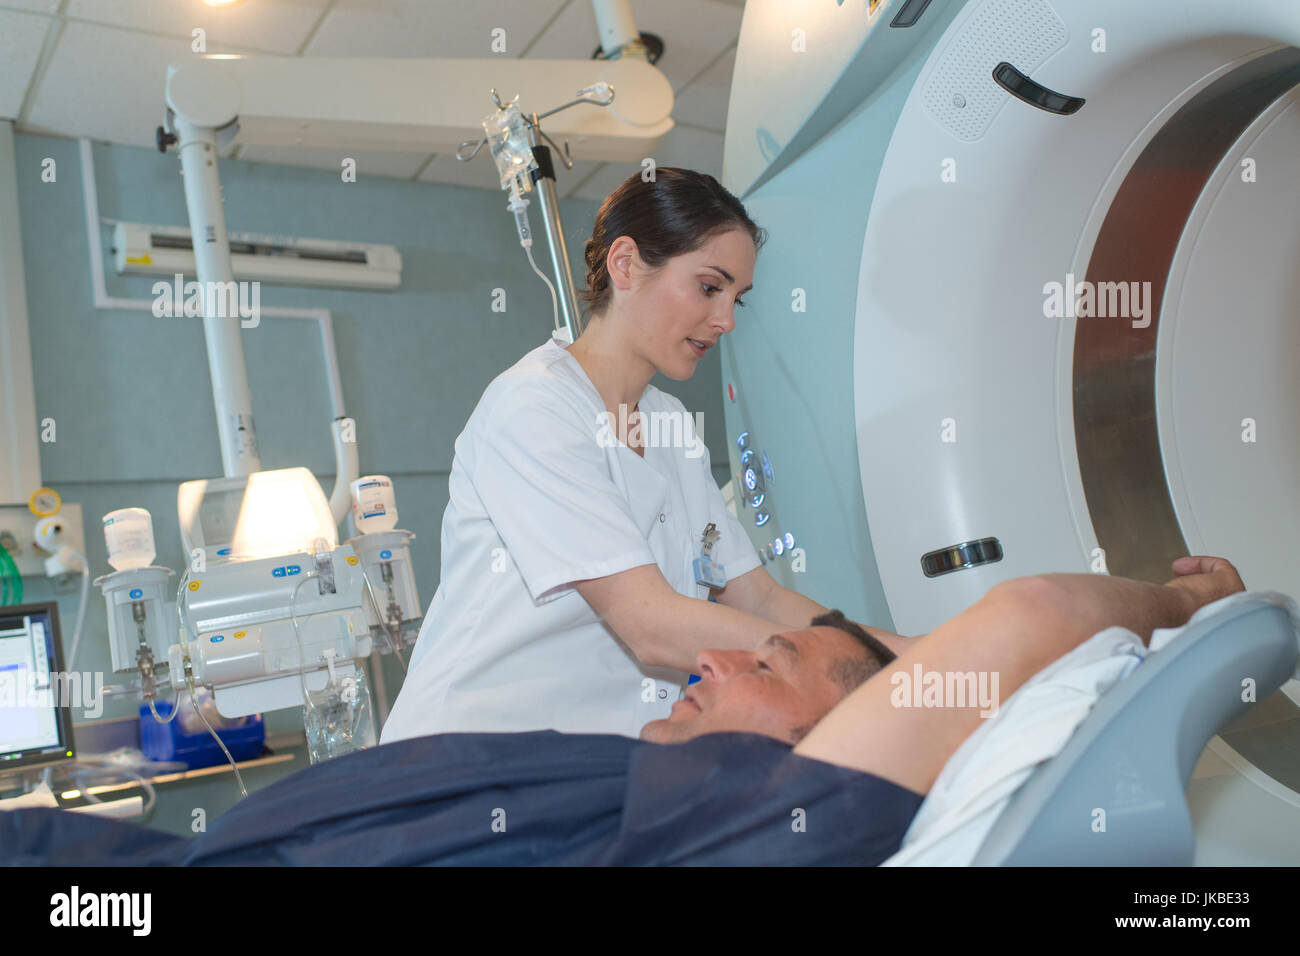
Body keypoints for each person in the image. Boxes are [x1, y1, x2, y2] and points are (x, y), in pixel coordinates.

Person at [0, 557, 1247, 866]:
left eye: (770, 660)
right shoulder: (651, 781)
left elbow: (1025, 613)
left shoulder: (760, 818)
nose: (716, 657)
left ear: (838, 733)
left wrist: (1185, 599)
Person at [382, 168, 840, 743]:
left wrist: (900, 654)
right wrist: (840, 665)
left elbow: (759, 596)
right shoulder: (533, 406)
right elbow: (650, 623)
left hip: (595, 764)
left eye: (736, 300)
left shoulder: (669, 422)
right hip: (468, 762)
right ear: (625, 264)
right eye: (708, 287)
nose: (724, 320)